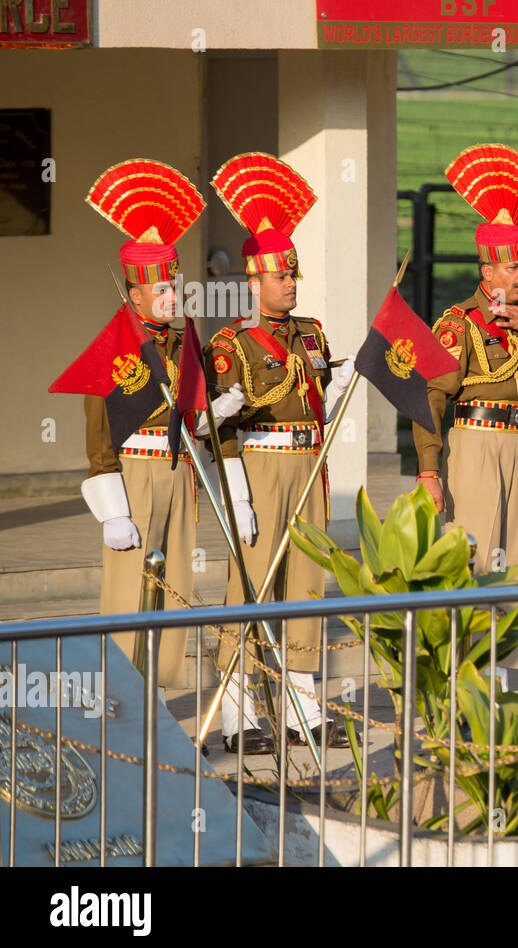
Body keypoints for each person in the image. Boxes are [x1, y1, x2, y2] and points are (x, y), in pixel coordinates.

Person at [206, 152, 351, 753]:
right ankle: (239, 715)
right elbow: (219, 426)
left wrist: (336, 384)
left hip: (308, 462)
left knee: (307, 584)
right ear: (254, 281)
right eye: (280, 276)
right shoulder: (231, 342)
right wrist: (236, 487)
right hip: (260, 465)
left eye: (294, 275)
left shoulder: (313, 333)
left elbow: (315, 393)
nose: (291, 283)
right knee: (251, 584)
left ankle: (301, 704)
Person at [411, 144, 518, 579]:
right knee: (477, 561)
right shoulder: (459, 323)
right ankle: (468, 648)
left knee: (517, 566)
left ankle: (509, 650)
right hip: (475, 444)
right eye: (513, 267)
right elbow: (430, 396)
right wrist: (428, 470)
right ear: (488, 272)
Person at [82, 160, 217, 688]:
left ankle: (159, 698)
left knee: (174, 582)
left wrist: (212, 418)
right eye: (160, 289)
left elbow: (195, 409)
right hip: (134, 473)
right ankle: (120, 702)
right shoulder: (115, 342)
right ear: (134, 295)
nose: (170, 295)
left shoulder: (186, 339)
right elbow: (98, 431)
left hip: (179, 468)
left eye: (173, 285)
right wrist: (111, 508)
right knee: (127, 590)